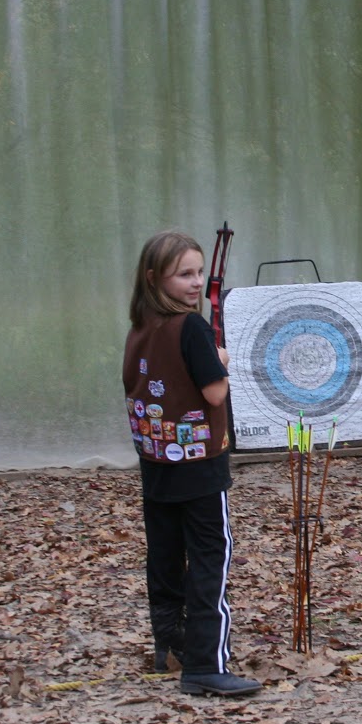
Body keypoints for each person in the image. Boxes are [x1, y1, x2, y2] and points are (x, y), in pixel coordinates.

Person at [124, 230, 261, 697]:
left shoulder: (140, 328)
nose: (196, 283)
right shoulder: (192, 328)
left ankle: (171, 645)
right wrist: (219, 361)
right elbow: (215, 393)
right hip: (200, 467)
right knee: (209, 559)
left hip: (156, 463)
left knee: (165, 556)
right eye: (184, 274)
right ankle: (205, 663)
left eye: (199, 273)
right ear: (153, 278)